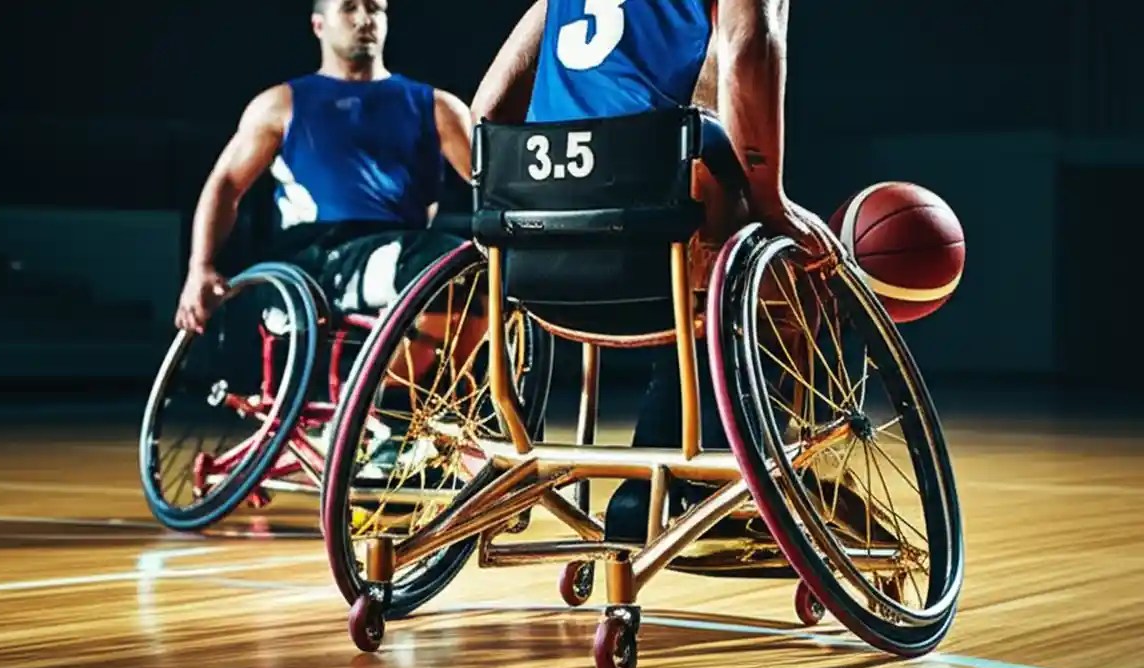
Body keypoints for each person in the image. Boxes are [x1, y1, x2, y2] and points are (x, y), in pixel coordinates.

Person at [470, 0, 833, 541]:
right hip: (657, 247)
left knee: (703, 253)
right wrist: (771, 202)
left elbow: (488, 112)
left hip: (536, 268)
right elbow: (749, 49)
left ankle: (651, 480)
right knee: (805, 276)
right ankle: (720, 485)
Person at [174, 0, 475, 335]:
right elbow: (227, 183)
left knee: (470, 268)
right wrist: (200, 267)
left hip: (404, 248)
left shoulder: (438, 107)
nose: (364, 19)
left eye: (375, 9)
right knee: (436, 261)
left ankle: (417, 377)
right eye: (349, 8)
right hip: (316, 256)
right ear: (319, 25)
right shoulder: (281, 105)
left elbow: (490, 185)